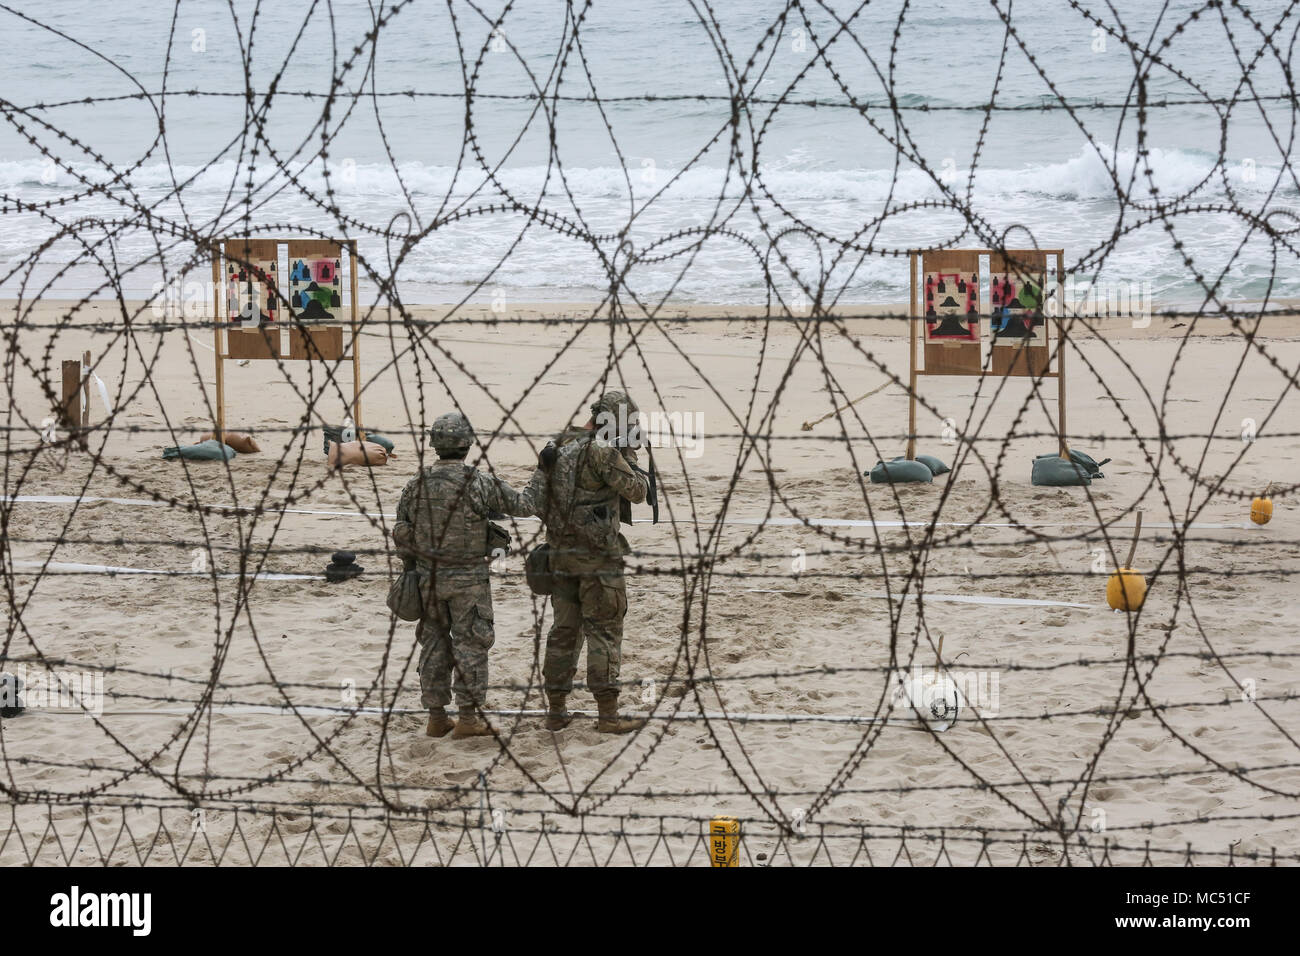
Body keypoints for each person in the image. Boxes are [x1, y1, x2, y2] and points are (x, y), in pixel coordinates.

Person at [392, 412, 532, 739]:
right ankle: (468, 719)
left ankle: (436, 717)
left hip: (428, 578)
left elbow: (402, 530)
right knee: (471, 644)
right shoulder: (478, 482)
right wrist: (543, 472)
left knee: (433, 644)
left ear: (434, 444)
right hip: (468, 581)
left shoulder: (416, 484)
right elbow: (524, 505)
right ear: (468, 445)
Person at [525, 390, 650, 734]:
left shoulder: (555, 445)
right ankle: (608, 715)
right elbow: (637, 491)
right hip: (598, 562)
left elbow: (534, 500)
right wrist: (630, 457)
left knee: (564, 633)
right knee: (604, 634)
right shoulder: (603, 451)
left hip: (560, 556)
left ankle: (556, 710)